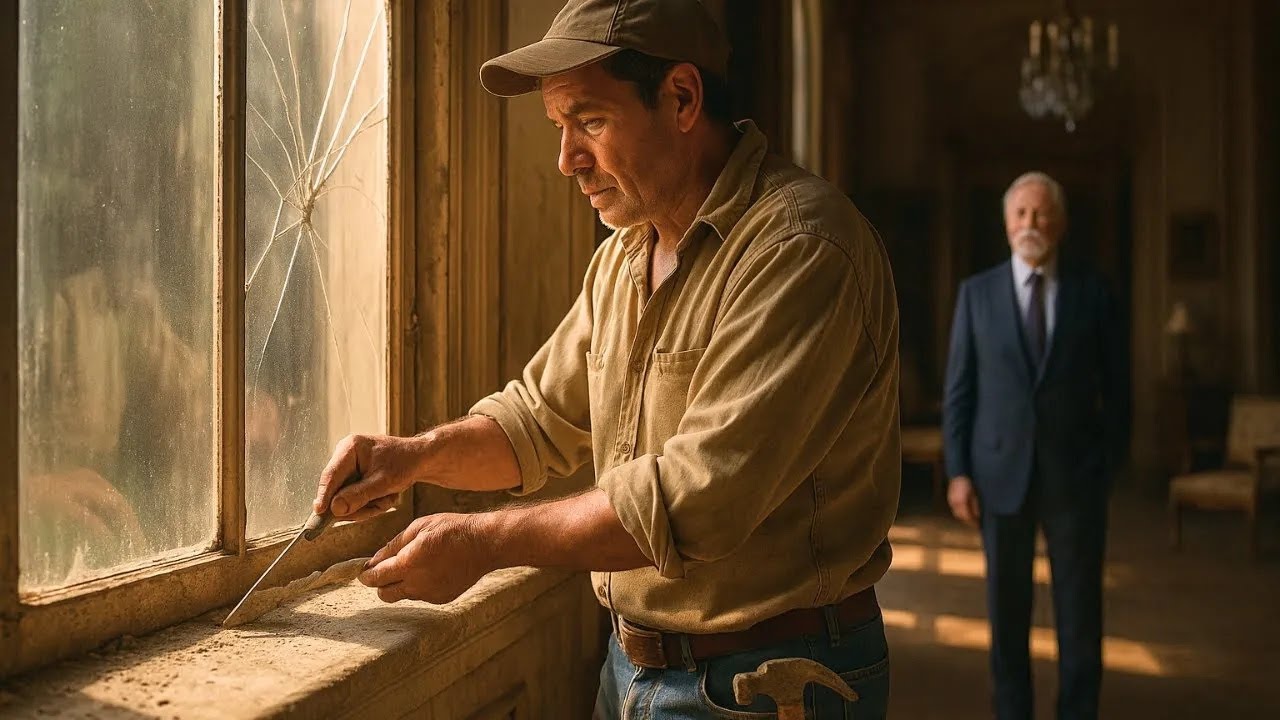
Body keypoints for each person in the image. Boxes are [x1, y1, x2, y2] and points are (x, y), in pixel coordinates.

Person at [312, 1, 901, 717]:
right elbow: (534, 421)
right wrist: (410, 456)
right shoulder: (626, 256)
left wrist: (484, 542)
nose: (566, 160)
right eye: (560, 128)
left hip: (772, 680)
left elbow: (695, 502)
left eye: (590, 121)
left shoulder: (802, 249)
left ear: (682, 98)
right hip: (632, 670)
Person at [942, 171, 1128, 720]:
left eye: (1042, 213)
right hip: (998, 477)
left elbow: (1119, 393)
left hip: (1075, 481)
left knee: (1080, 616)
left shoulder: (1094, 294)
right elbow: (960, 392)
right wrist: (958, 472)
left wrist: (1105, 468)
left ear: (1061, 223)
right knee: (1007, 615)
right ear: (1006, 224)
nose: (1031, 223)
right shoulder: (975, 295)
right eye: (1021, 213)